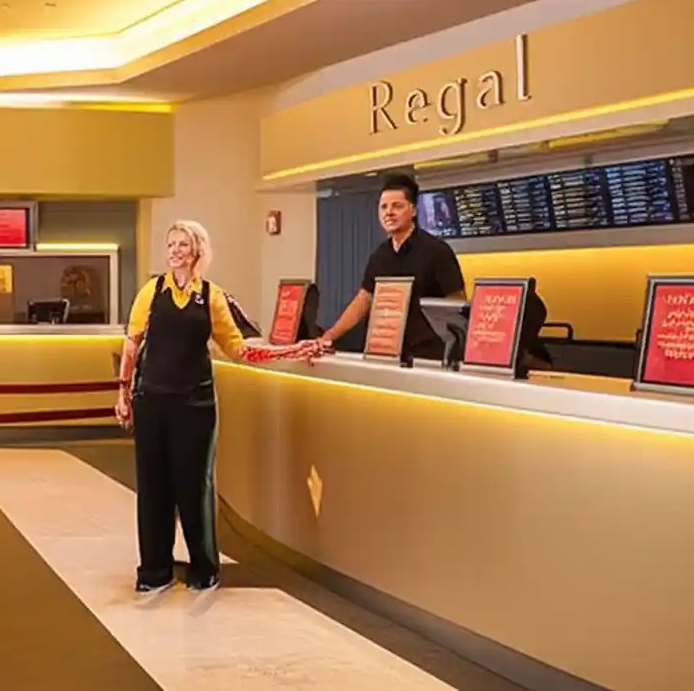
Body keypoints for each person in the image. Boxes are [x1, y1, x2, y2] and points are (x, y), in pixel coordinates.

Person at [115, 220, 322, 593]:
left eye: (183, 245)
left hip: (195, 404)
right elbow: (132, 344)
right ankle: (154, 571)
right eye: (171, 244)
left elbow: (241, 348)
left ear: (197, 252)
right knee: (153, 487)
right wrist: (123, 393)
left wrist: (294, 349)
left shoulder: (212, 296)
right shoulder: (151, 291)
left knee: (194, 487)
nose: (176, 250)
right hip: (152, 401)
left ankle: (204, 568)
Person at [320, 173, 466, 360]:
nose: (389, 212)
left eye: (397, 206)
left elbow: (457, 304)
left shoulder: (437, 251)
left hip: (428, 355)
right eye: (383, 207)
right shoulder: (380, 255)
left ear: (413, 210)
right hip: (387, 353)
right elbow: (364, 299)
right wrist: (329, 336)